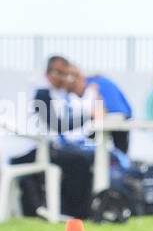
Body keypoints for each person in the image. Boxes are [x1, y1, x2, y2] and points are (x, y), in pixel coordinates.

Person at [14, 55, 134, 218]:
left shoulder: (61, 94)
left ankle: (85, 210)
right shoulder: (41, 93)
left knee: (85, 159)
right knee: (79, 162)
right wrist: (90, 116)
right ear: (53, 73)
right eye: (64, 74)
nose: (68, 79)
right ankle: (78, 213)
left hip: (49, 147)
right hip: (31, 150)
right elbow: (57, 125)